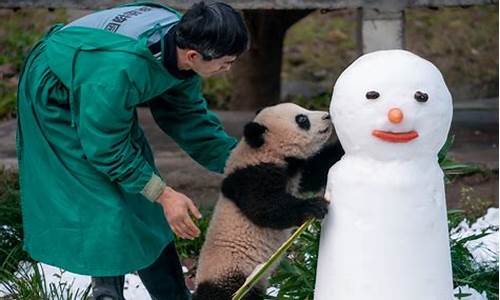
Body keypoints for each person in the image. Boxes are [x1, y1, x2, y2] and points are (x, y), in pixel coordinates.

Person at [16, 1, 249, 299]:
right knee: (104, 198)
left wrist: (243, 165)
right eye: (226, 62)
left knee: (143, 199)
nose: (228, 69)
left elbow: (188, 118)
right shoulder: (117, 73)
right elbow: (106, 149)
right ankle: (107, 293)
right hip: (57, 92)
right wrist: (164, 194)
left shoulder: (184, 41)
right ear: (193, 55)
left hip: (99, 82)